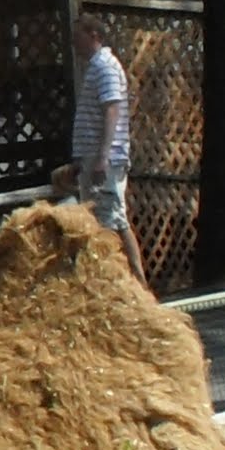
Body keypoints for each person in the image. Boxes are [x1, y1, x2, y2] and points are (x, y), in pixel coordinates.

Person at [67, 14, 148, 283]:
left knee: (112, 218)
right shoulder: (95, 67)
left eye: (78, 37)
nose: (74, 44)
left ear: (94, 36)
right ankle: (115, 280)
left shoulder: (105, 67)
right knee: (101, 217)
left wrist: (103, 156)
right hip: (94, 156)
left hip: (106, 159)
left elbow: (112, 108)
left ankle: (136, 281)